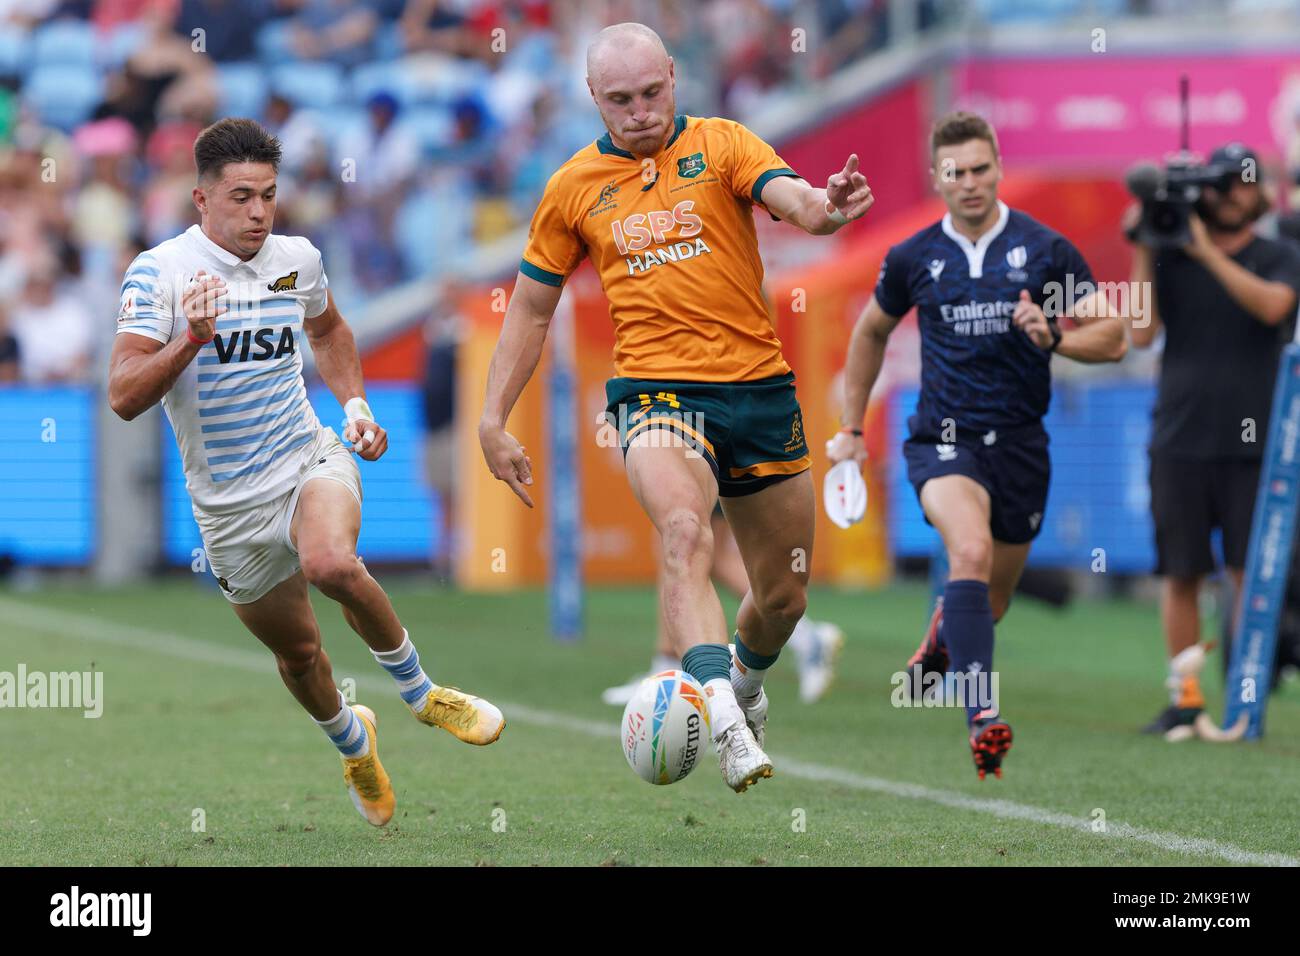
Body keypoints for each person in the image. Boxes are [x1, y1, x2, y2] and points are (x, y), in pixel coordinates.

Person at [478, 22, 873, 793]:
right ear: (592, 99)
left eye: (651, 93)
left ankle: (748, 688)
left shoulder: (723, 144)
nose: (639, 111)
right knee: (685, 532)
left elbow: (793, 200)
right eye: (619, 100)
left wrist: (828, 206)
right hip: (655, 394)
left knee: (784, 595)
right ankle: (721, 714)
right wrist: (494, 417)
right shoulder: (571, 188)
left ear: (674, 78)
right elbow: (529, 311)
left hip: (758, 391)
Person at [107, 118, 504, 828]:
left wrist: (354, 405)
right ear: (201, 199)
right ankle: (354, 743)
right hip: (227, 508)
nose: (259, 211)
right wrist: (190, 340)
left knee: (331, 563)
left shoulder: (298, 258)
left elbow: (328, 330)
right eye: (240, 197)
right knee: (300, 656)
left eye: (268, 195)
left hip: (305, 457)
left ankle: (423, 695)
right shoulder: (159, 273)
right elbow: (124, 395)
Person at [827, 112, 1127, 779]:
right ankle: (982, 718)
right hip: (943, 441)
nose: (969, 183)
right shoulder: (912, 257)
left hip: (1021, 445)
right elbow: (871, 332)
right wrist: (851, 429)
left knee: (990, 599)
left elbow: (1114, 337)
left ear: (997, 167)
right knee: (969, 549)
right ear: (937, 178)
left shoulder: (1045, 250)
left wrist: (1057, 338)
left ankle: (943, 635)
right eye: (955, 172)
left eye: (980, 169)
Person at [1124, 142, 1300, 735]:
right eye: (1220, 184)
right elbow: (1142, 332)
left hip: (1257, 447)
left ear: (1260, 192)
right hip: (1179, 437)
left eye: (1242, 184)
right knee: (1181, 573)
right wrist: (1150, 246)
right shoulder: (1172, 259)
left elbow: (1273, 307)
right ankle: (1187, 699)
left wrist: (1202, 250)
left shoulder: (1279, 255)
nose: (1231, 194)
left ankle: (1246, 699)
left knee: (1251, 574)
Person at [601, 504, 845, 706]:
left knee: (689, 548)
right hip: (700, 449)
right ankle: (668, 669)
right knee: (684, 546)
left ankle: (806, 637)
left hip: (704, 448)